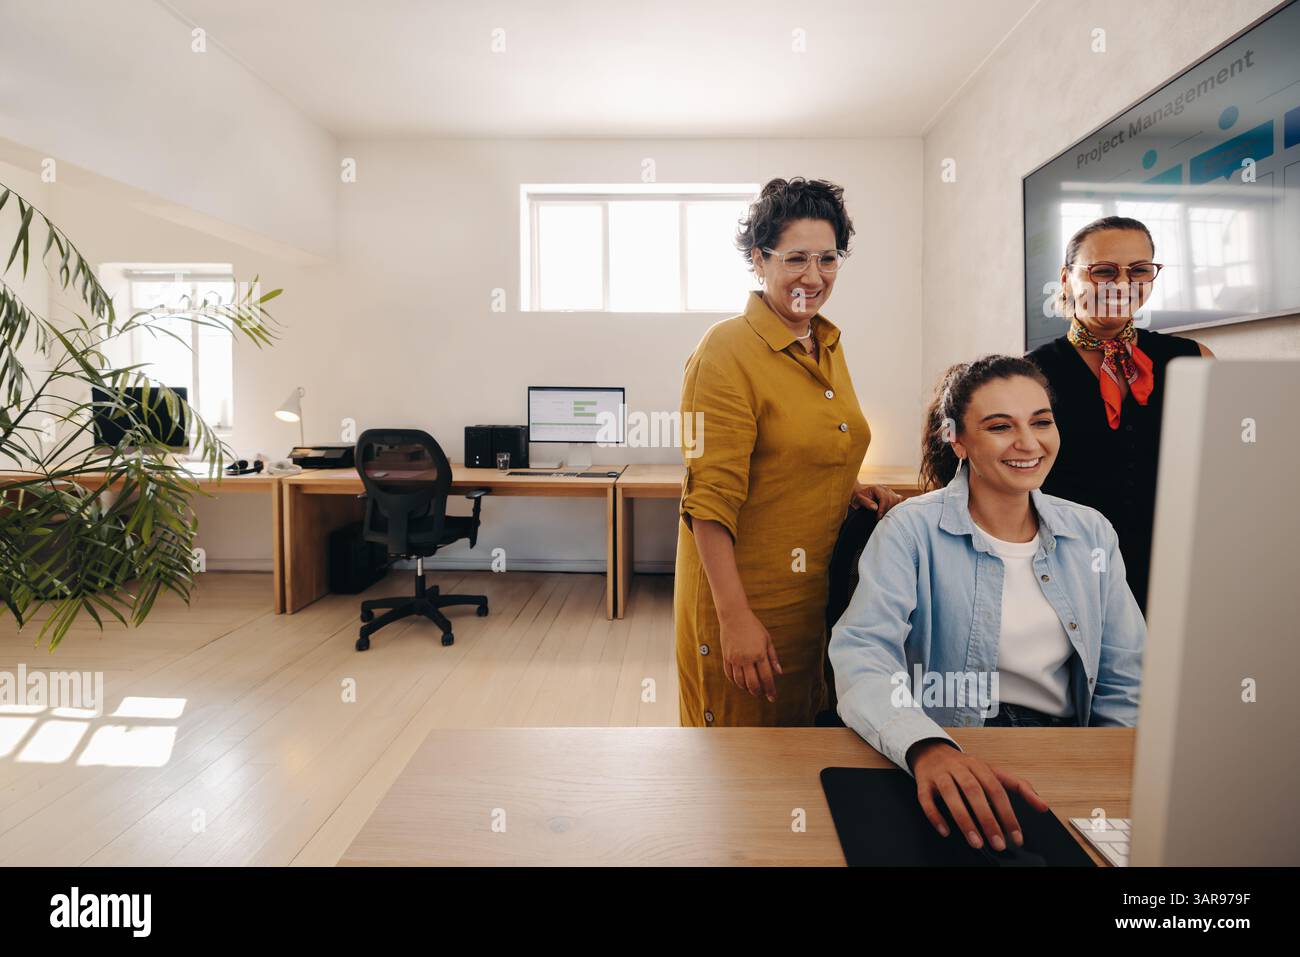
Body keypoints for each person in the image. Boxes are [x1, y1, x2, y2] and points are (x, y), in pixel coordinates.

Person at [828, 355, 1145, 851]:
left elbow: (1127, 673)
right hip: (949, 741)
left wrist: (1108, 770)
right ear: (957, 438)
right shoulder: (910, 531)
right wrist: (926, 746)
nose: (1028, 443)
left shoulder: (1091, 533)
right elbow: (862, 654)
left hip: (1065, 748)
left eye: (1041, 422)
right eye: (1000, 426)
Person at [674, 177, 902, 727]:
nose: (813, 275)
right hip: (747, 600)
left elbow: (798, 448)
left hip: (816, 596)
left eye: (828, 258)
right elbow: (708, 501)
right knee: (741, 770)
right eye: (795, 258)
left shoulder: (824, 341)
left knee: (798, 757)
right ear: (759, 259)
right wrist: (735, 619)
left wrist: (848, 489)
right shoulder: (726, 351)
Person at [1029, 215, 1213, 611]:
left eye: (1140, 270)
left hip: (1174, 565)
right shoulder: (1030, 374)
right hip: (1069, 570)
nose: (1122, 284)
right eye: (1103, 271)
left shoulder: (1194, 359)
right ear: (1066, 278)